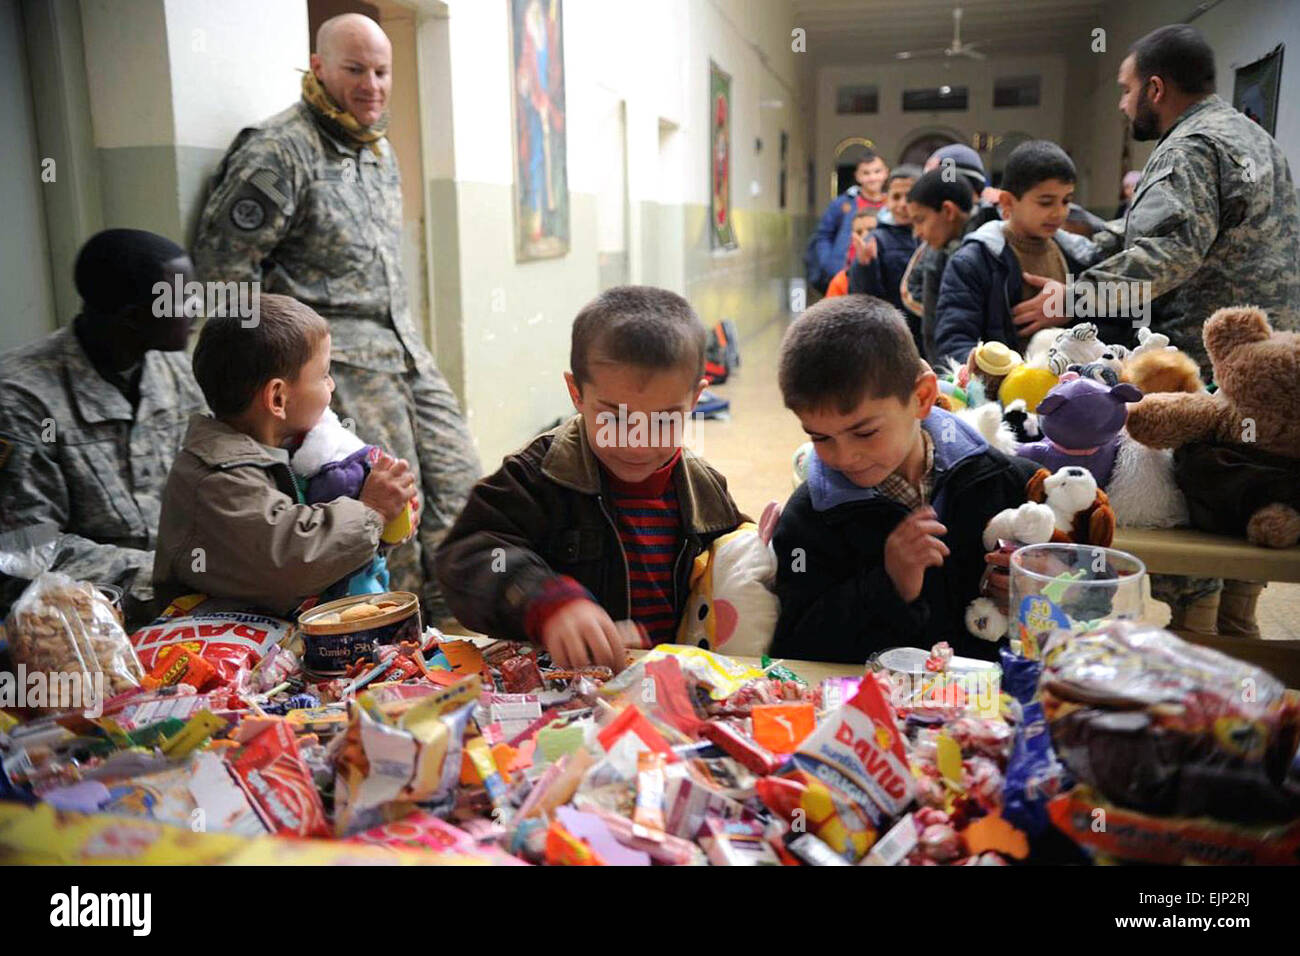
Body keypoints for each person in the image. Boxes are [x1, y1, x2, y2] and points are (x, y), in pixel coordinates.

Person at [191, 12, 479, 622]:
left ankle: (464, 629)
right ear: (319, 67)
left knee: (460, 492)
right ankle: (391, 638)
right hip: (331, 366)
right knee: (381, 509)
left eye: (381, 70)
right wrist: (272, 392)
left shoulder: (377, 151)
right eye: (355, 69)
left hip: (405, 352)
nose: (371, 84)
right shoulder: (278, 151)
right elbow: (227, 274)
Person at [436, 287, 745, 672]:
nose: (637, 444)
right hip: (562, 699)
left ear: (695, 399)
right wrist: (545, 602)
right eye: (615, 417)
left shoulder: (706, 495)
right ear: (576, 393)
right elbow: (468, 556)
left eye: (664, 420)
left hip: (666, 701)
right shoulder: (535, 476)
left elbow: (742, 572)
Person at [1011, 24, 1300, 380]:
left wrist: (1072, 299)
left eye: (1126, 89)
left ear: (1155, 89)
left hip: (1211, 361)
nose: (1122, 103)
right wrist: (1087, 238)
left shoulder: (1188, 149)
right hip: (1275, 349)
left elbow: (1169, 255)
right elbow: (1185, 227)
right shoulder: (1253, 136)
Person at [770, 296, 1037, 664]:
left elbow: (1084, 607)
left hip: (995, 710)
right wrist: (889, 585)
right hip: (877, 716)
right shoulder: (807, 520)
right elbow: (795, 648)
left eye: (864, 433)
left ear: (922, 397)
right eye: (820, 437)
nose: (845, 457)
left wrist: (1041, 591)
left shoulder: (1008, 481)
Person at [152, 294, 418, 616]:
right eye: (323, 375)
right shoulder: (218, 477)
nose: (331, 385)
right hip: (218, 654)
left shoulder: (287, 451)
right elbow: (294, 560)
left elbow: (322, 548)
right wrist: (371, 511)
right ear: (277, 398)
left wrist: (382, 524)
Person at [0, 229, 207, 626]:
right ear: (132, 318)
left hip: (194, 603)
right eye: (180, 298)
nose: (195, 307)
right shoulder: (22, 400)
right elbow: (24, 552)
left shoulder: (180, 374)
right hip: (81, 628)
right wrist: (173, 576)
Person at [933, 140, 1099, 367]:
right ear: (1008, 202)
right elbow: (954, 343)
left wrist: (1075, 303)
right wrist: (1001, 374)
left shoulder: (1079, 255)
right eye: (1046, 202)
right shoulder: (974, 261)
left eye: (1066, 200)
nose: (1059, 212)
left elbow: (1112, 324)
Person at [898, 170, 974, 365]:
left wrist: (1065, 302)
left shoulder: (990, 250)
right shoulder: (934, 253)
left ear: (948, 211)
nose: (916, 233)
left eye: (920, 220)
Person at [849, 164, 922, 346]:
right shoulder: (876, 240)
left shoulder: (931, 236)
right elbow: (863, 300)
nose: (902, 204)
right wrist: (865, 265)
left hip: (926, 333)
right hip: (893, 336)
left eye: (909, 197)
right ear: (886, 200)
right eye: (896, 197)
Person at [805, 150, 889, 294]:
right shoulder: (842, 204)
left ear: (886, 173)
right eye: (866, 173)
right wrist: (831, 265)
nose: (872, 177)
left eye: (877, 171)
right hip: (846, 274)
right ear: (857, 176)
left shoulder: (892, 206)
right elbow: (823, 236)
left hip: (884, 275)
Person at [822, 209, 875, 298]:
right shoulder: (841, 280)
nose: (865, 235)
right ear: (852, 239)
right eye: (859, 232)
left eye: (871, 230)